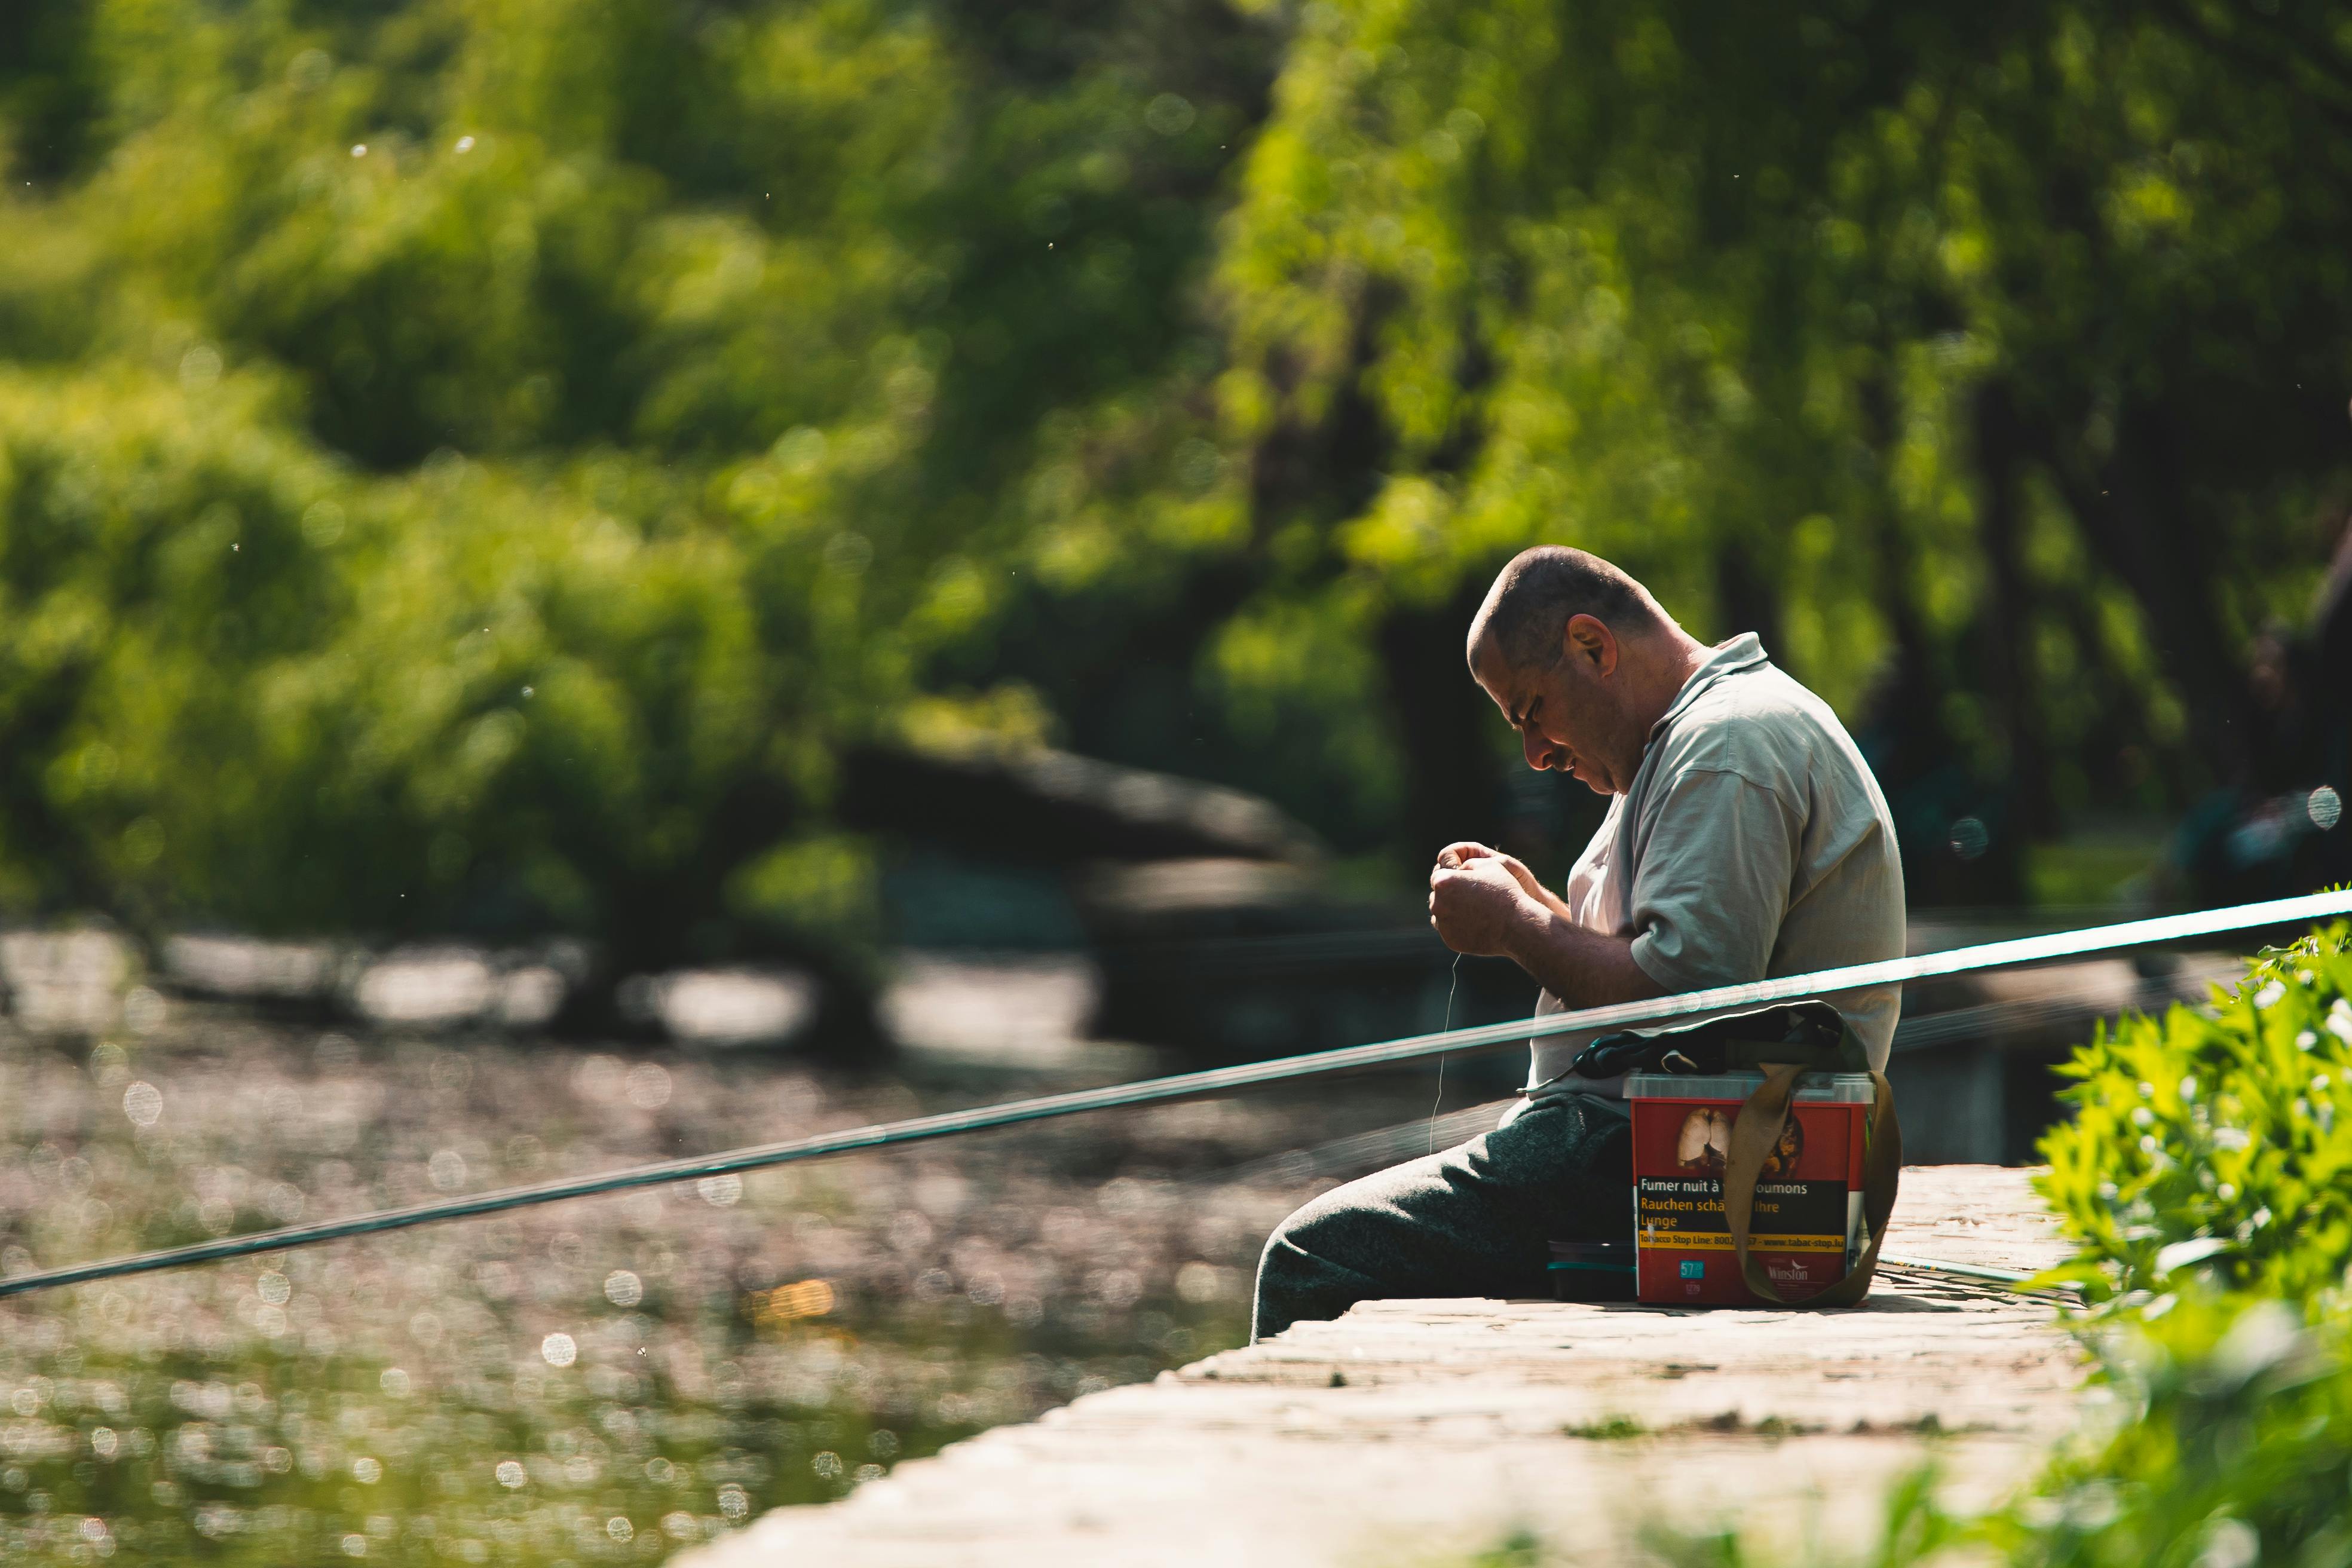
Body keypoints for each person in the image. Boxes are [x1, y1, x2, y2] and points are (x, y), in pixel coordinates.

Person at [1251, 546, 1906, 1340]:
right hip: (1656, 1146)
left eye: (1531, 711)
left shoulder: (1727, 744)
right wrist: (1538, 906)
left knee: (1308, 1257)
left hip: (1688, 1160)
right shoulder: (1688, 740)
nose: (1535, 754)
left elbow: (1682, 997)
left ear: (1593, 646)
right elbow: (1674, 964)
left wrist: (1516, 927)